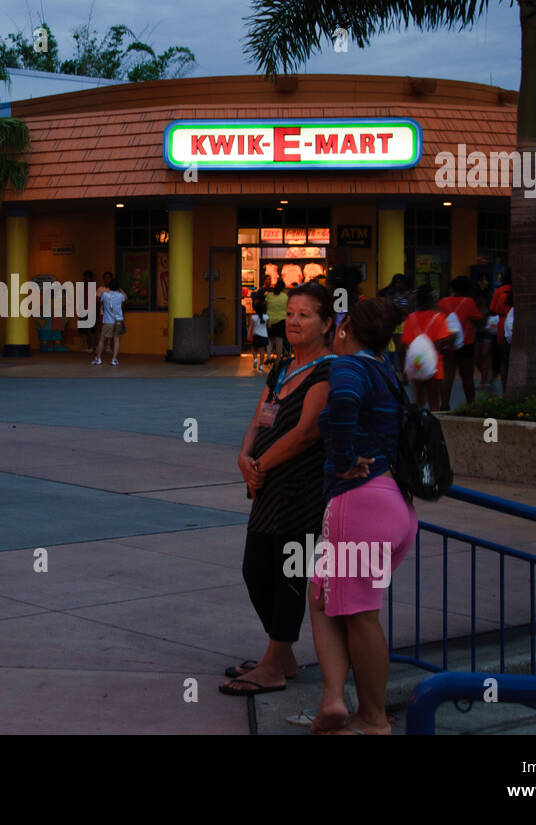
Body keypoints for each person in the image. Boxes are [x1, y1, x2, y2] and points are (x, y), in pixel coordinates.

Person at [308, 297, 417, 735]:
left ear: (346, 327)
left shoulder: (348, 366)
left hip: (359, 500)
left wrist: (342, 458)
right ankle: (334, 700)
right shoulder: (386, 372)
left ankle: (372, 717)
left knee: (361, 612)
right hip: (394, 503)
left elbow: (344, 405)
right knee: (320, 594)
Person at [222, 283, 336, 696]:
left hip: (302, 492)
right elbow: (259, 419)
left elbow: (307, 433)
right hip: (266, 489)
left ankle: (273, 664)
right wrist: (244, 457)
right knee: (255, 570)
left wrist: (259, 466)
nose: (293, 321)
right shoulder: (283, 366)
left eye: (305, 314)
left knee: (289, 574)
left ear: (326, 323)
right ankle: (282, 654)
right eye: (290, 313)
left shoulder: (327, 369)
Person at [402, 286, 452, 410]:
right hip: (435, 364)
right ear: (432, 300)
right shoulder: (439, 318)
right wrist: (452, 337)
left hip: (416, 363)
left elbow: (406, 343)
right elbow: (440, 343)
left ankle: (419, 425)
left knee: (418, 399)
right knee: (433, 400)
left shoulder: (410, 318)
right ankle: (432, 426)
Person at [438, 276, 482, 410]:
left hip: (447, 343)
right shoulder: (469, 302)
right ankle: (471, 405)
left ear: (452, 288)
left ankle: (444, 405)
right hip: (466, 344)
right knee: (467, 376)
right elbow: (478, 319)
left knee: (447, 376)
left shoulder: (443, 302)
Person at [377, 273, 413, 374]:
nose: (398, 285)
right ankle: (396, 371)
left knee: (401, 348)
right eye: (396, 282)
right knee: (388, 346)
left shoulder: (410, 294)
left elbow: (408, 309)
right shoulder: (392, 294)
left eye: (400, 282)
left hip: (405, 323)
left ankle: (404, 371)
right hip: (393, 322)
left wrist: (394, 309)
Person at [91, 277, 126, 367]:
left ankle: (98, 359)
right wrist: (120, 289)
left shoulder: (105, 295)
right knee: (116, 340)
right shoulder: (120, 295)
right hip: (118, 321)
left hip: (107, 321)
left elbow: (101, 302)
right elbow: (125, 297)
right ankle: (114, 359)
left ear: (109, 286)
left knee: (102, 340)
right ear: (117, 287)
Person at [267, 280, 289, 360]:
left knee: (270, 339)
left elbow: (267, 306)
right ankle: (279, 357)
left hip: (270, 320)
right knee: (279, 339)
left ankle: (269, 356)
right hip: (281, 320)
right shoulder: (285, 297)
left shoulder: (269, 295)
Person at [78, 270, 98, 352]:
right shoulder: (81, 287)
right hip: (82, 310)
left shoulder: (95, 287)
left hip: (92, 310)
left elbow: (97, 300)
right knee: (82, 329)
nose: (85, 279)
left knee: (92, 330)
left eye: (87, 277)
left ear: (91, 278)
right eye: (84, 277)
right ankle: (85, 345)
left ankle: (92, 347)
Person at [249, 292, 270, 371]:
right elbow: (269, 325)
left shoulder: (253, 317)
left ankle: (255, 359)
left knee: (254, 348)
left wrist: (248, 335)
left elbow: (251, 327)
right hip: (264, 335)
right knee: (262, 352)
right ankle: (261, 365)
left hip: (256, 335)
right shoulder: (266, 317)